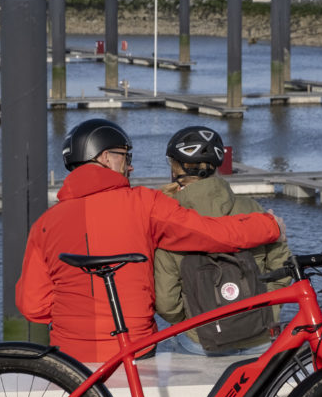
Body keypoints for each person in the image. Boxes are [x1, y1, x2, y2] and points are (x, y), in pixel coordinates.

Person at [15, 118, 282, 363]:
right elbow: (211, 234)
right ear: (106, 158)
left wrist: (76, 316)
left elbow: (32, 306)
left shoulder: (44, 224)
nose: (130, 165)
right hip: (133, 347)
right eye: (125, 156)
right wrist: (269, 225)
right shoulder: (144, 204)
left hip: (70, 355)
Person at [153, 126, 293, 354]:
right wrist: (266, 307)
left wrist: (195, 322)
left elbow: (167, 303)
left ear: (176, 168)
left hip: (202, 342)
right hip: (259, 334)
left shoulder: (171, 219)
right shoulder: (251, 209)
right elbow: (282, 268)